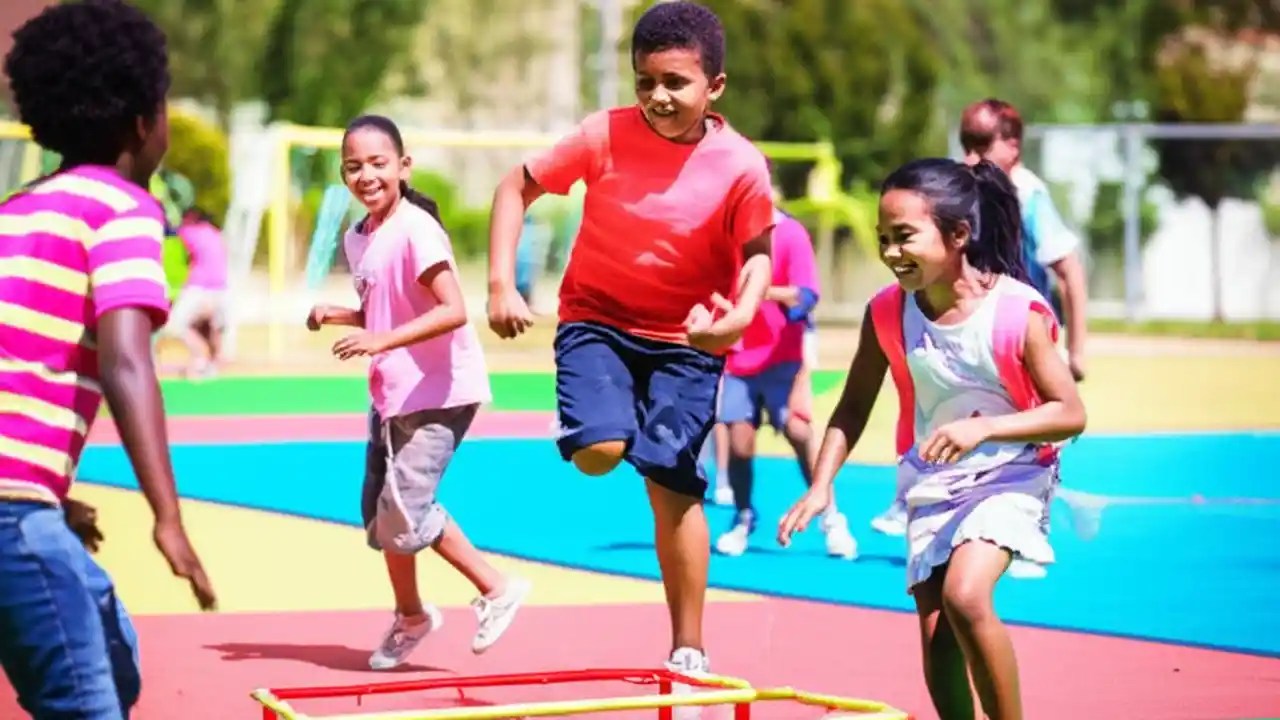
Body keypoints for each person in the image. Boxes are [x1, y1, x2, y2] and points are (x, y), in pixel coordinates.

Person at [486, 1, 774, 676]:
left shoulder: (741, 164)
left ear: (715, 87)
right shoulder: (602, 135)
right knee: (599, 453)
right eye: (645, 82)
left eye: (676, 82)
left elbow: (757, 251)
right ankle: (597, 417)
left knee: (673, 488)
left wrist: (738, 315)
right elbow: (513, 188)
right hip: (598, 322)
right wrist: (502, 282)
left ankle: (689, 646)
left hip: (689, 339)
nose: (659, 97)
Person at [778, 158, 1087, 720]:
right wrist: (822, 486)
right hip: (933, 480)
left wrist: (985, 427)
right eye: (883, 238)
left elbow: (1069, 412)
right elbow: (852, 406)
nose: (892, 251)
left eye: (905, 237)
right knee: (938, 635)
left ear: (958, 235)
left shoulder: (1017, 312)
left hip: (1013, 472)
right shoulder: (887, 313)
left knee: (966, 597)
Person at [0, 1, 218, 717]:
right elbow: (127, 362)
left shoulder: (17, 212)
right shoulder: (123, 211)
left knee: (114, 661)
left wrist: (53, 496)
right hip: (12, 519)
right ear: (140, 121)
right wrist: (167, 517)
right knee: (89, 702)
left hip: (26, 505)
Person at [308, 115, 530, 671]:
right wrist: (339, 315)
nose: (366, 175)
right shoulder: (359, 237)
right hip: (392, 393)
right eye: (353, 166)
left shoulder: (416, 230)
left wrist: (380, 338)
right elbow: (388, 308)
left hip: (440, 392)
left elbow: (451, 310)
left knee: (406, 508)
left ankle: (497, 587)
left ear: (403, 167)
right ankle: (411, 615)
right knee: (379, 516)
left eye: (378, 163)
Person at [869, 97, 1092, 543]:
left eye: (982, 143)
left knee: (1018, 429)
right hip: (964, 332)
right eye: (966, 142)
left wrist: (1077, 347)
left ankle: (1017, 515)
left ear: (1013, 144)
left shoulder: (1029, 196)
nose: (971, 154)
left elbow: (1068, 269)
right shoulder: (952, 191)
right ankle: (923, 494)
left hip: (1010, 340)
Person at [714, 207, 856, 560]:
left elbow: (805, 296)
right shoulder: (722, 233)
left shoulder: (790, 234)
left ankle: (831, 517)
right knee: (739, 441)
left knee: (799, 431)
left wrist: (761, 292)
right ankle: (743, 516)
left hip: (784, 356)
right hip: (736, 357)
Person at [157, 207, 228, 378]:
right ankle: (213, 363)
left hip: (199, 287)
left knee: (175, 326)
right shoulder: (216, 233)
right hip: (222, 288)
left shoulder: (191, 231)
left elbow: (167, 230)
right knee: (212, 327)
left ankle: (201, 357)